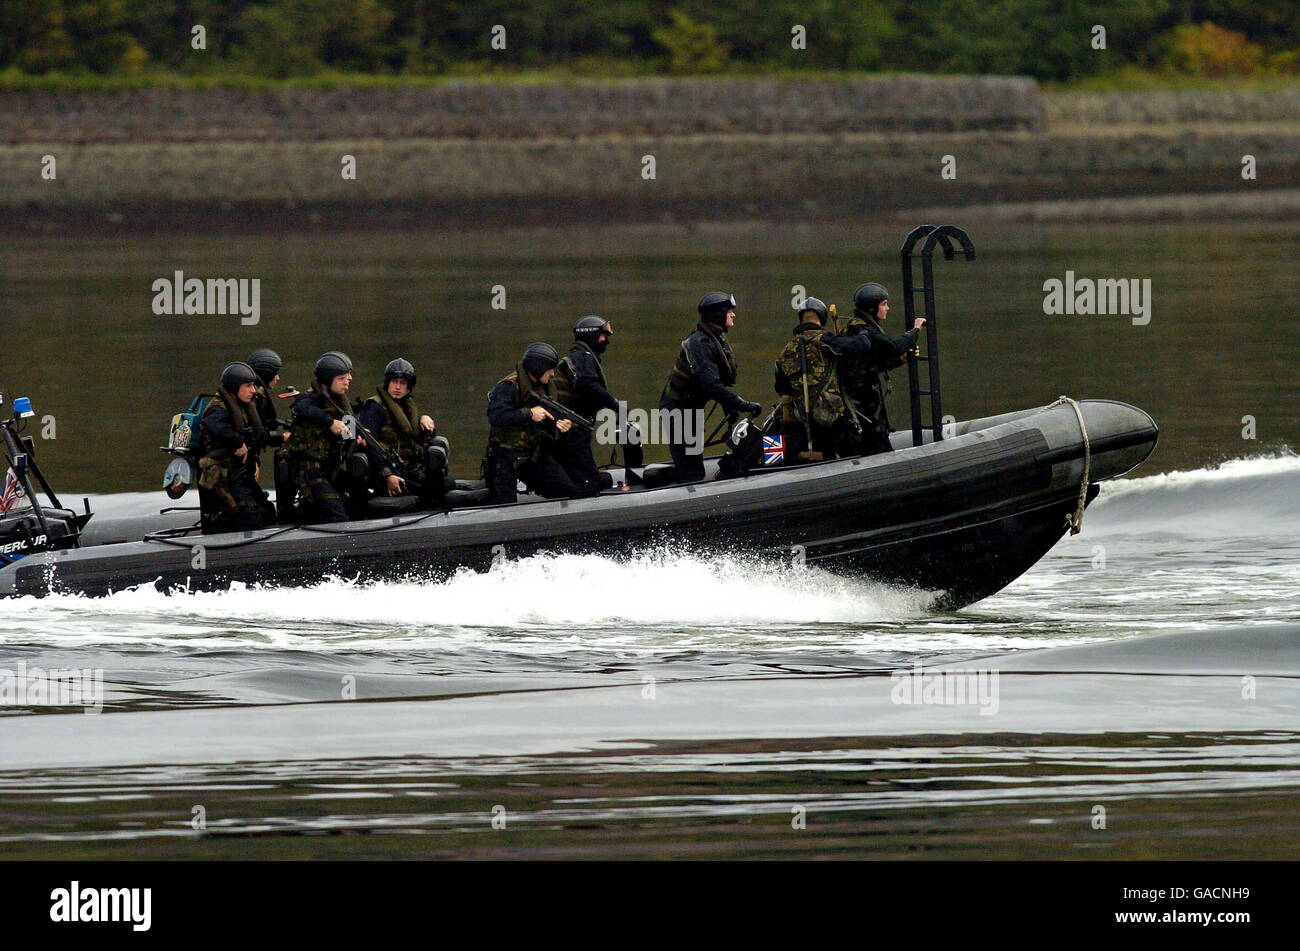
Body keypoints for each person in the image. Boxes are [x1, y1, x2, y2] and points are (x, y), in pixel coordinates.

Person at [657, 291, 762, 482]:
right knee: (692, 472)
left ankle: (677, 476)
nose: (733, 314)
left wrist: (728, 406)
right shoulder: (700, 343)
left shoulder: (715, 339)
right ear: (717, 314)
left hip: (688, 411)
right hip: (678, 412)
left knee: (693, 465)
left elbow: (714, 384)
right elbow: (710, 384)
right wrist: (742, 404)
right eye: (729, 311)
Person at [483, 343, 587, 504]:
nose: (553, 374)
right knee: (504, 505)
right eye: (550, 369)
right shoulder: (509, 386)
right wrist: (530, 413)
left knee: (568, 492)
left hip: (534, 456)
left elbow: (548, 423)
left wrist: (560, 426)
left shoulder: (545, 388)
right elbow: (496, 416)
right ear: (538, 368)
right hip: (505, 458)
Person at [772, 297, 873, 460]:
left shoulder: (786, 351)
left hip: (799, 419)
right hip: (829, 418)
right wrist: (861, 329)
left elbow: (781, 388)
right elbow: (862, 345)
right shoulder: (826, 341)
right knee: (858, 441)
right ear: (822, 318)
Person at [837, 282, 926, 455]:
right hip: (862, 404)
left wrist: (901, 360)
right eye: (884, 304)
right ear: (872, 308)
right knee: (878, 444)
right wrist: (915, 330)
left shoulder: (857, 329)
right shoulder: (864, 330)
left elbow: (872, 364)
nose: (888, 308)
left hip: (862, 402)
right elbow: (893, 347)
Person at [552, 316, 635, 493]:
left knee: (591, 477)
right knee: (591, 483)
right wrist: (615, 405)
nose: (606, 341)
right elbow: (588, 385)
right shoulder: (583, 357)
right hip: (572, 434)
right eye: (603, 336)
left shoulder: (579, 358)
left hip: (569, 433)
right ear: (591, 336)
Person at [356, 357, 451, 506]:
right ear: (388, 383)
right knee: (440, 487)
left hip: (410, 467)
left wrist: (425, 420)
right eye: (394, 382)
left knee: (446, 482)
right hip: (388, 472)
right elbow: (370, 445)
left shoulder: (406, 406)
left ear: (409, 386)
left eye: (402, 383)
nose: (397, 387)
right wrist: (387, 475)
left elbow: (418, 439)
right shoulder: (375, 408)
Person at [282, 351, 362, 523]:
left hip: (329, 469)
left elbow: (351, 427)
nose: (348, 380)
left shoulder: (338, 403)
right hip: (309, 471)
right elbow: (301, 407)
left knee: (360, 497)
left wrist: (357, 436)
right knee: (336, 514)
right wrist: (330, 422)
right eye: (341, 378)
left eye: (348, 376)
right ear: (326, 381)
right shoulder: (308, 400)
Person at [197, 362, 274, 533]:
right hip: (224, 476)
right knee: (250, 516)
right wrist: (237, 443)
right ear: (233, 387)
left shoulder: (242, 407)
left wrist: (255, 461)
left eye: (253, 385)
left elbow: (254, 436)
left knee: (267, 513)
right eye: (248, 386)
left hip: (240, 474)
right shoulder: (217, 408)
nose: (253, 390)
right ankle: (221, 528)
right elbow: (215, 425)